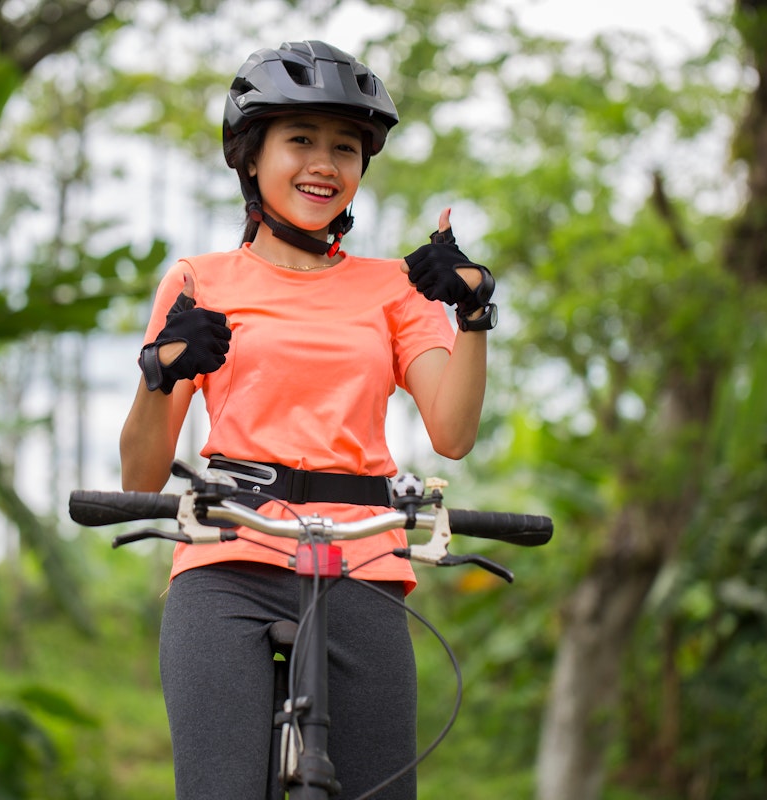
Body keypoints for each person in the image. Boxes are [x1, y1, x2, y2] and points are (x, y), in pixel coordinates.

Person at [119, 39, 497, 800]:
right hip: (226, 559)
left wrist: (475, 311)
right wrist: (161, 372)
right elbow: (139, 476)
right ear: (251, 158)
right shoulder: (200, 281)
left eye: (345, 147)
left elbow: (451, 433)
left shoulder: (395, 286)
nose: (325, 163)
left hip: (361, 561)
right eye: (301, 140)